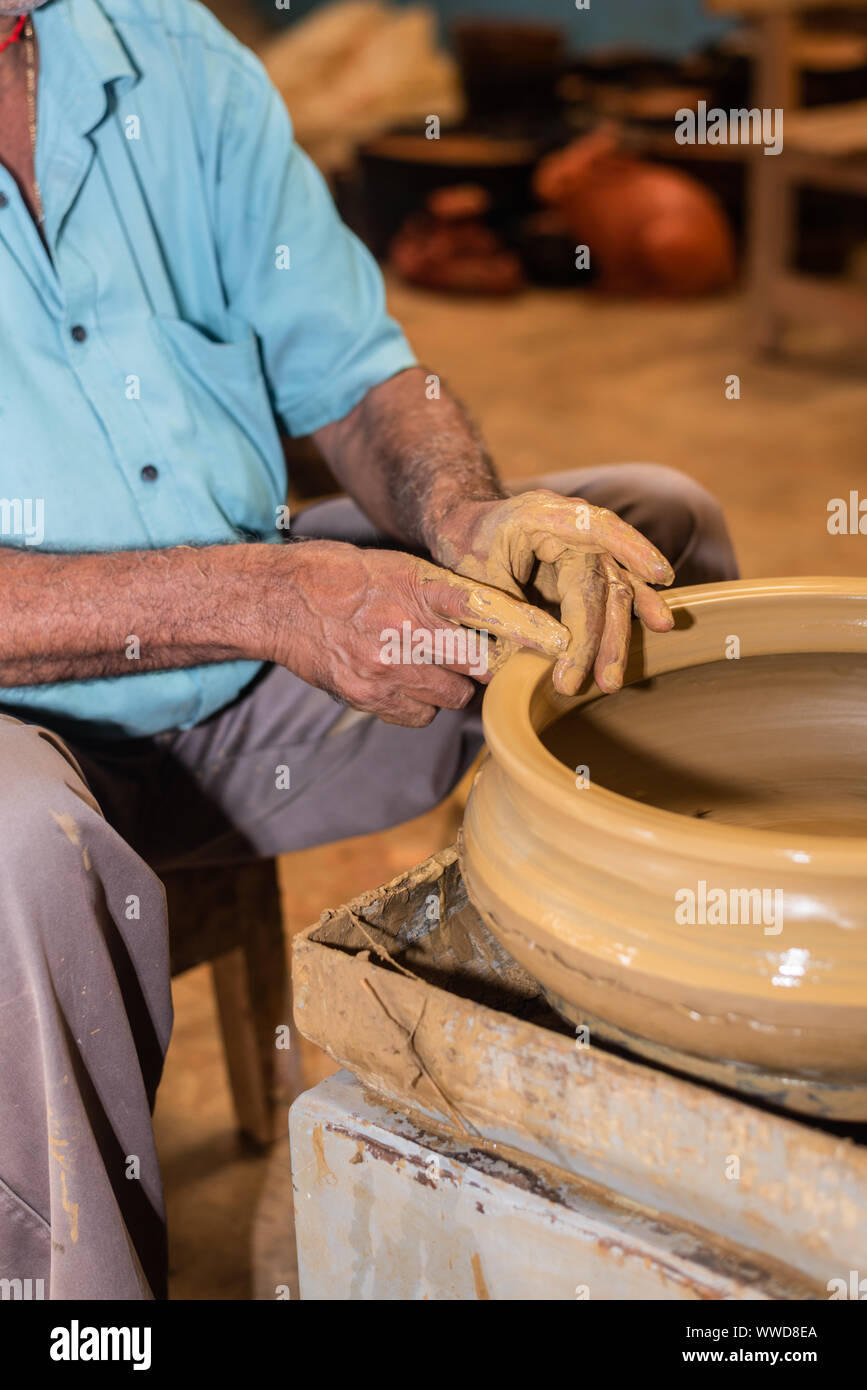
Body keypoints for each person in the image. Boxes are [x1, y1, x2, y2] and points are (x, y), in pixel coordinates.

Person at [0, 0, 738, 1299]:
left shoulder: (165, 54)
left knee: (643, 541)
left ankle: (682, 1089)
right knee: (19, 847)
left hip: (242, 692)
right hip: (32, 732)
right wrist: (276, 595)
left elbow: (357, 370)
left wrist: (473, 516)